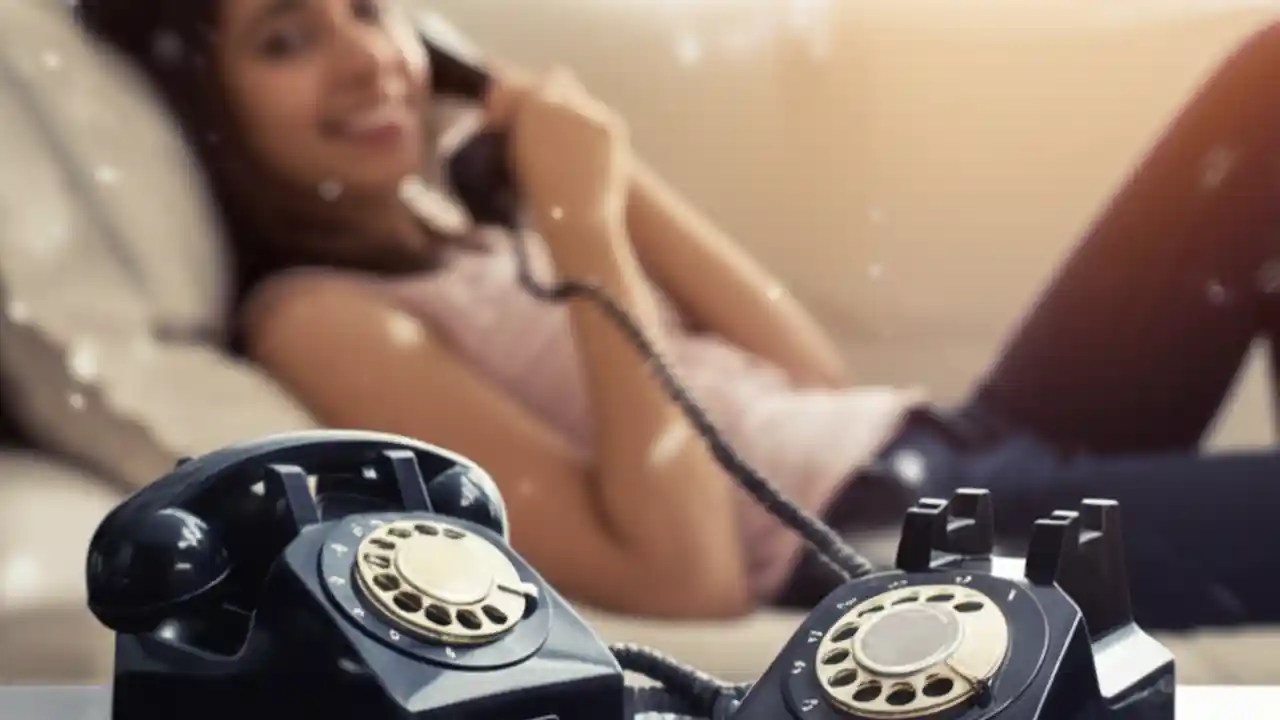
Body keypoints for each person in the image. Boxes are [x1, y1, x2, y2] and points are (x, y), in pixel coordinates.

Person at [77, 0, 1280, 629]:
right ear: (208, 113)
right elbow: (684, 575)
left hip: (952, 438)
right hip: (893, 532)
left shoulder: (474, 237)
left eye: (367, 10)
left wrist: (600, 172)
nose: (365, 59)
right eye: (287, 38)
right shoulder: (321, 316)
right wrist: (582, 225)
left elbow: (809, 390)